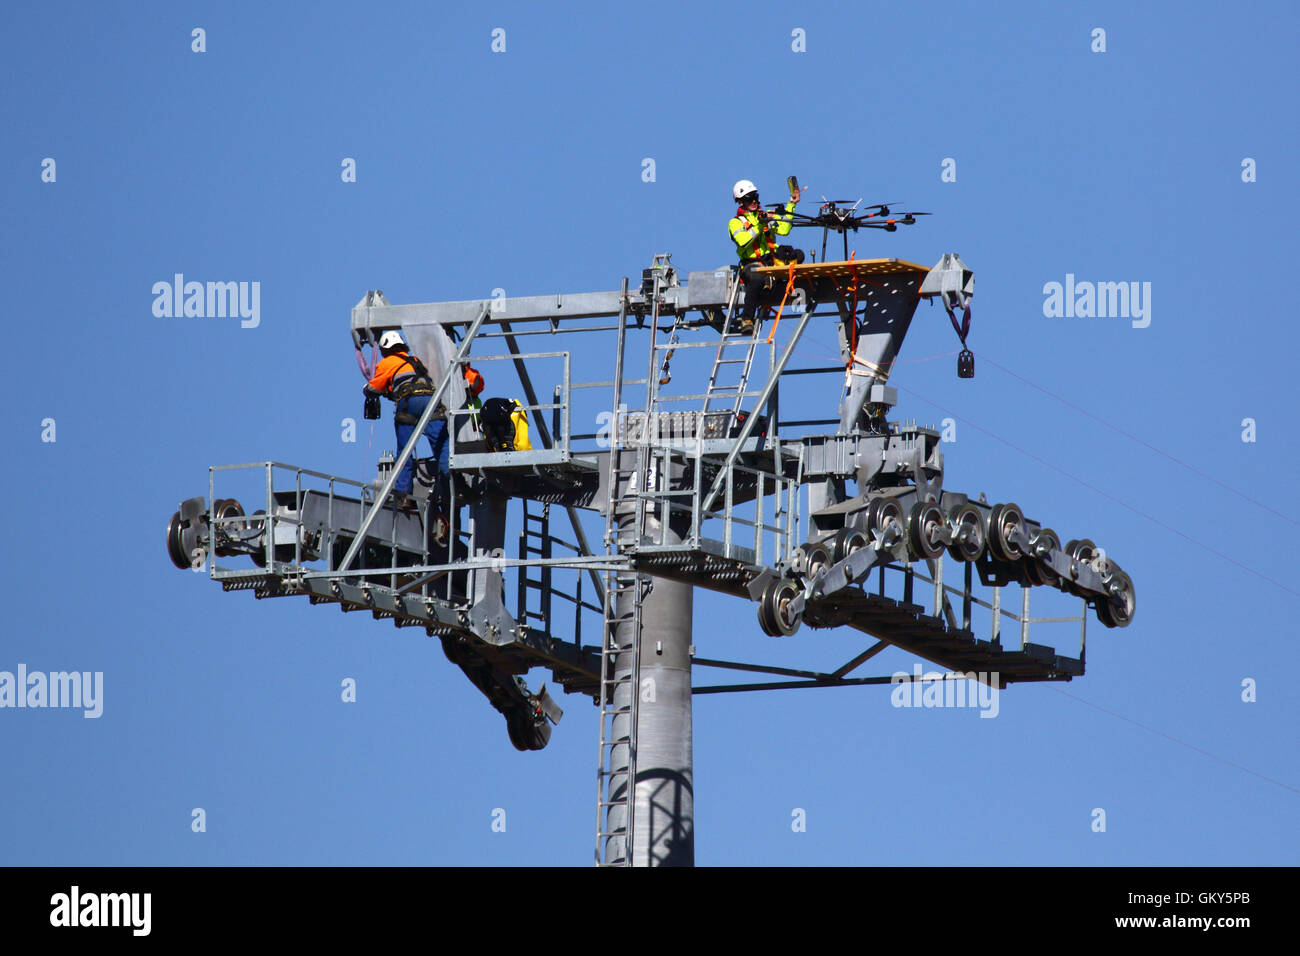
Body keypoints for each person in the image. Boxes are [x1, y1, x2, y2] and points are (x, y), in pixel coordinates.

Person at [362, 331, 449, 538]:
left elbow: (375, 387)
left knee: (405, 450)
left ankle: (403, 494)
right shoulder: (415, 360)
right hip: (430, 401)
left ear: (384, 349)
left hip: (408, 403)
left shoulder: (386, 363)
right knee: (442, 445)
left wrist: (367, 390)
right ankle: (452, 480)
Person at [727, 179, 804, 330]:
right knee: (756, 278)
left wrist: (792, 205)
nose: (754, 201)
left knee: (798, 255)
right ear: (741, 201)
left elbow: (784, 229)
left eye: (756, 196)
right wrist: (760, 225)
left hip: (771, 264)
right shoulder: (735, 222)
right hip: (751, 265)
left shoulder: (765, 216)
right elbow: (743, 241)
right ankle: (747, 319)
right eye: (750, 198)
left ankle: (797, 297)